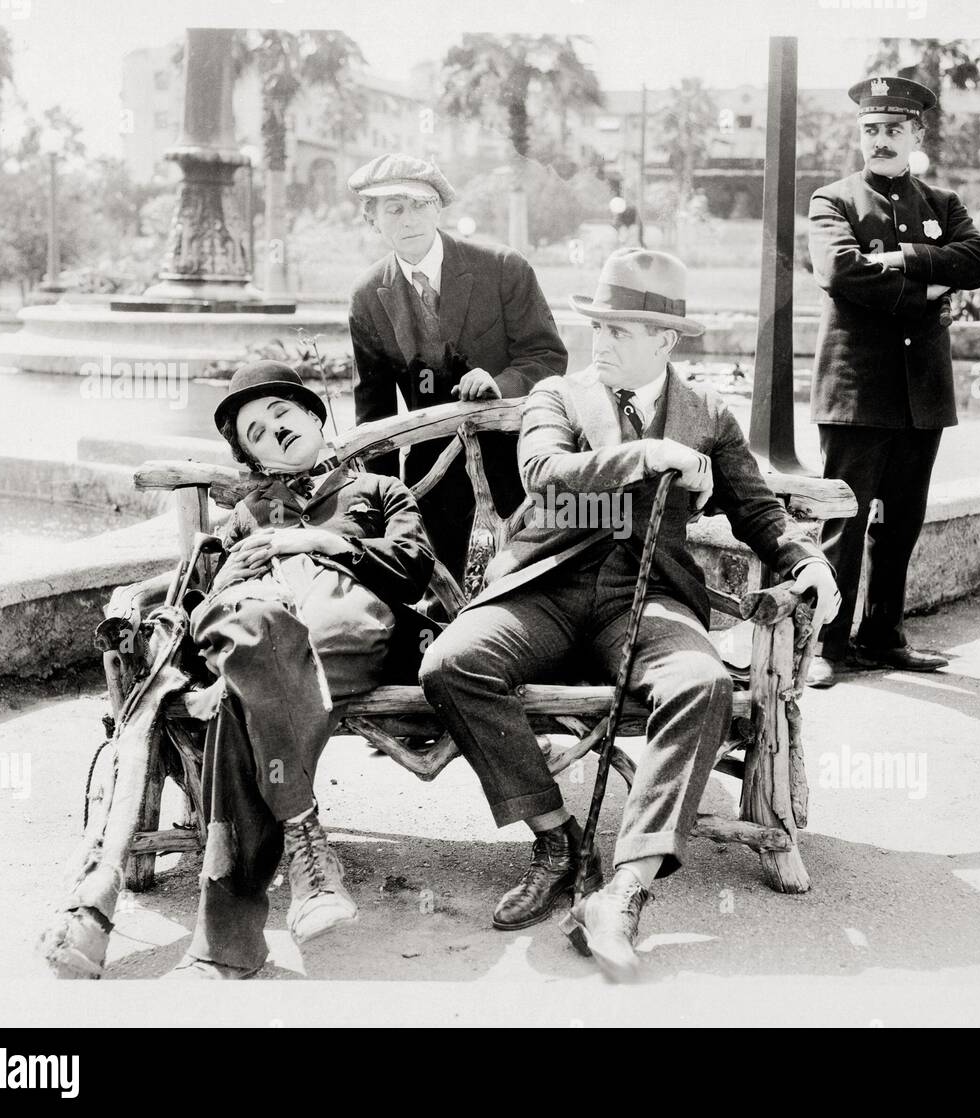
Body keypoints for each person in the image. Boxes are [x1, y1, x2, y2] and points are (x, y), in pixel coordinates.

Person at [419, 249, 840, 982]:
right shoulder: (557, 395)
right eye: (598, 326)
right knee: (452, 664)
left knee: (702, 683)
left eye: (619, 329)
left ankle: (624, 890)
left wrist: (807, 561)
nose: (601, 341)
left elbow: (756, 509)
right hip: (544, 589)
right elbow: (542, 480)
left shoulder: (708, 413)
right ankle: (554, 837)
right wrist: (646, 456)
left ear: (665, 341)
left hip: (643, 602)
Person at [167, 360, 436, 979]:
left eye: (282, 414)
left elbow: (413, 567)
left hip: (344, 627)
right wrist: (224, 578)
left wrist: (312, 543)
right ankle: (308, 850)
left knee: (244, 695)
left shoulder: (378, 492)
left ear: (315, 416)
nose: (276, 431)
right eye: (257, 433)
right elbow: (196, 613)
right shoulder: (246, 518)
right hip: (261, 634)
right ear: (256, 463)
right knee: (255, 641)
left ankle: (224, 946)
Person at [806, 76, 980, 689]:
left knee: (901, 521)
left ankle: (883, 635)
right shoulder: (832, 200)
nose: (881, 141)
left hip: (922, 393)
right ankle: (825, 645)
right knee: (843, 523)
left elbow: (978, 261)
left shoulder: (942, 203)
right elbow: (841, 272)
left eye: (893, 130)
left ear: (916, 135)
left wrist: (901, 259)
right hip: (858, 389)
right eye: (871, 130)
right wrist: (931, 287)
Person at [347, 153, 567, 581]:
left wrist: (499, 382)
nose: (409, 219)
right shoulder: (368, 295)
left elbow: (547, 356)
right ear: (372, 220)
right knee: (427, 583)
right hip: (433, 461)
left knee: (534, 574)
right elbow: (374, 410)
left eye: (420, 205)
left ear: (439, 208)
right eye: (393, 208)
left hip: (517, 449)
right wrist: (383, 499)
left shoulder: (504, 268)